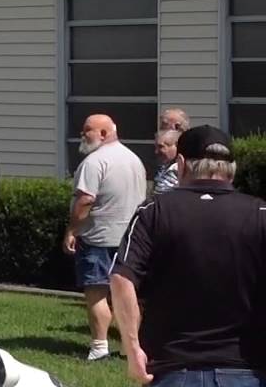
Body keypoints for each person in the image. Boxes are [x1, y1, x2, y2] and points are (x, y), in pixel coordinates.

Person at [111, 125, 266, 386]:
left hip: (172, 367)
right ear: (232, 168)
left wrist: (132, 347)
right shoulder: (260, 213)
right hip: (246, 367)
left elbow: (121, 279)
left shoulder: (153, 211)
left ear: (180, 164)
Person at [64, 114, 147, 361]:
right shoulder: (134, 159)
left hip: (98, 238)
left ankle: (99, 347)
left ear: (103, 133)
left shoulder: (93, 162)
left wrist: (72, 230)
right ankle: (129, 347)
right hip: (130, 239)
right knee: (127, 295)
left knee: (96, 292)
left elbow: (85, 199)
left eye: (87, 130)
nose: (82, 134)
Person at [153, 129, 180, 196]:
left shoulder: (183, 171)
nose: (156, 151)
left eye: (161, 146)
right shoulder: (163, 167)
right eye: (155, 147)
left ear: (177, 145)